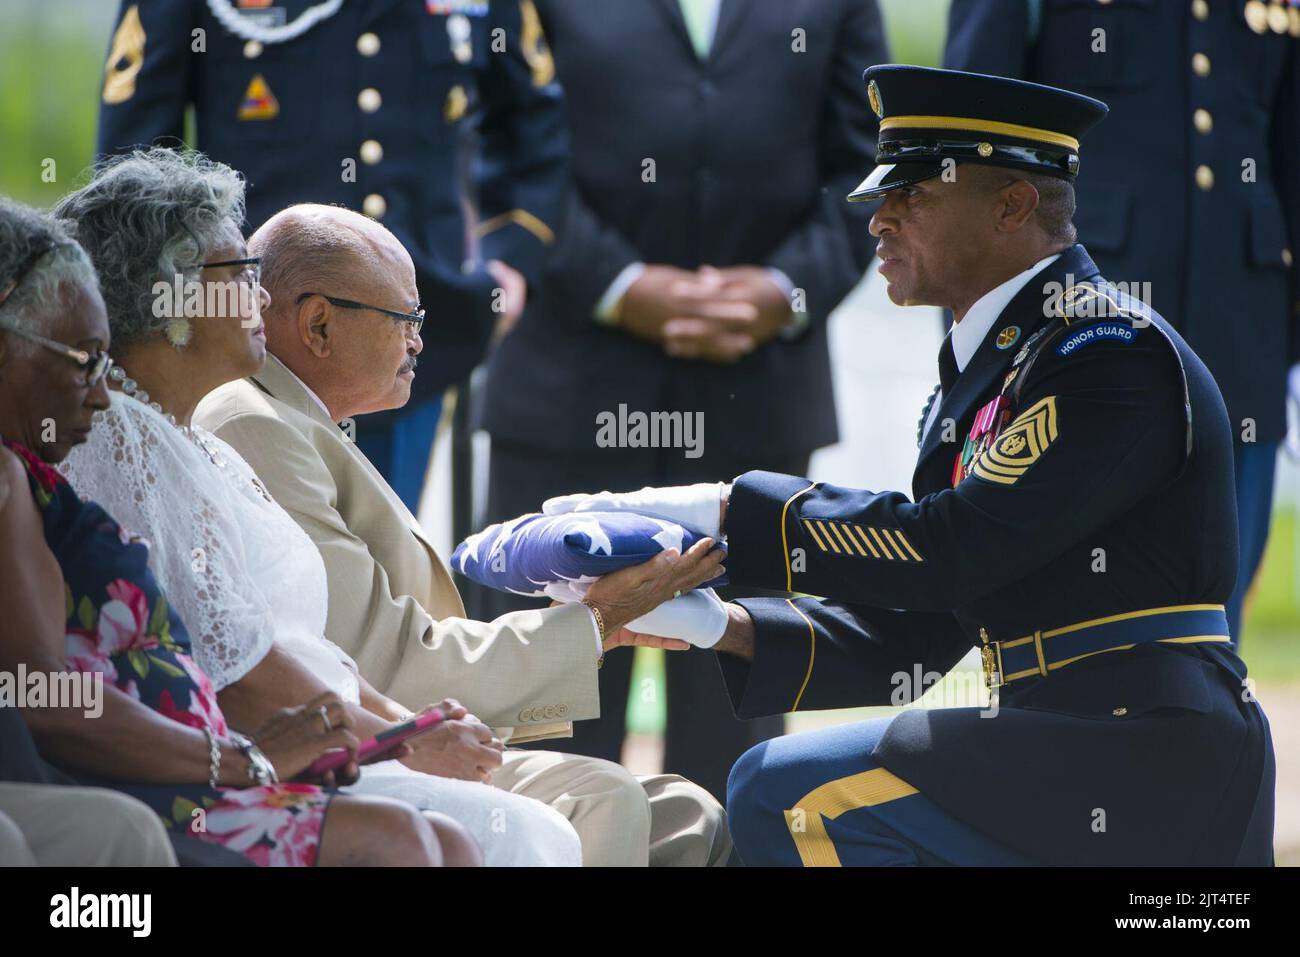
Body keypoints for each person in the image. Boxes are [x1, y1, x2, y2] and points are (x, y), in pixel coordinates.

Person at [546, 65, 1277, 866]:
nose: (879, 221)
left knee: (782, 792)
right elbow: (917, 635)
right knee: (781, 786)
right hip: (1068, 737)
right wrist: (716, 623)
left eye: (916, 196)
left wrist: (723, 508)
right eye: (882, 197)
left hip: (1141, 744)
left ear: (1012, 205)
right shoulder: (1000, 364)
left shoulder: (1105, 349)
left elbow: (949, 547)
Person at [55, 149, 598, 865]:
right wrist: (396, 739)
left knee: (540, 822)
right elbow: (238, 672)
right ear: (174, 300)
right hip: (258, 752)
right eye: (239, 275)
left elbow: (306, 648)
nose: (262, 297)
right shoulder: (127, 441)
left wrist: (408, 727)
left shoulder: (196, 444)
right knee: (529, 832)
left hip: (327, 737)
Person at [195, 201, 732, 866]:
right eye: (406, 319)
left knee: (688, 814)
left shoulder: (288, 416)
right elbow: (384, 660)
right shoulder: (257, 424)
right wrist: (595, 619)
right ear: (319, 322)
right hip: (361, 746)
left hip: (387, 731)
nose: (420, 341)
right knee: (608, 793)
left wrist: (600, 625)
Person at [474, 0, 890, 804]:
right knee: (542, 726)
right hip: (568, 389)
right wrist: (616, 284)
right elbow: (502, 135)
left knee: (732, 735)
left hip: (756, 399)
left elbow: (866, 161)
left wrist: (786, 288)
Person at [0, 196, 463, 867]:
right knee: (408, 839)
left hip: (223, 753)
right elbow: (49, 699)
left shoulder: (110, 454)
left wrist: (398, 729)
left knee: (437, 837)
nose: (99, 392)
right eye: (81, 358)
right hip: (178, 770)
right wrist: (251, 756)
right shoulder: (102, 445)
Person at [97, 0, 565, 509]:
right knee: (252, 549)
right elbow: (136, 157)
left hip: (414, 326)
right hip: (250, 328)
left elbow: (532, 119)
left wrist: (510, 259)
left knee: (388, 555)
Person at [943, 0, 1300, 645]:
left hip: (1242, 326)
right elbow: (971, 127)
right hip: (1074, 327)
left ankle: (1207, 742)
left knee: (1214, 629)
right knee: (1067, 622)